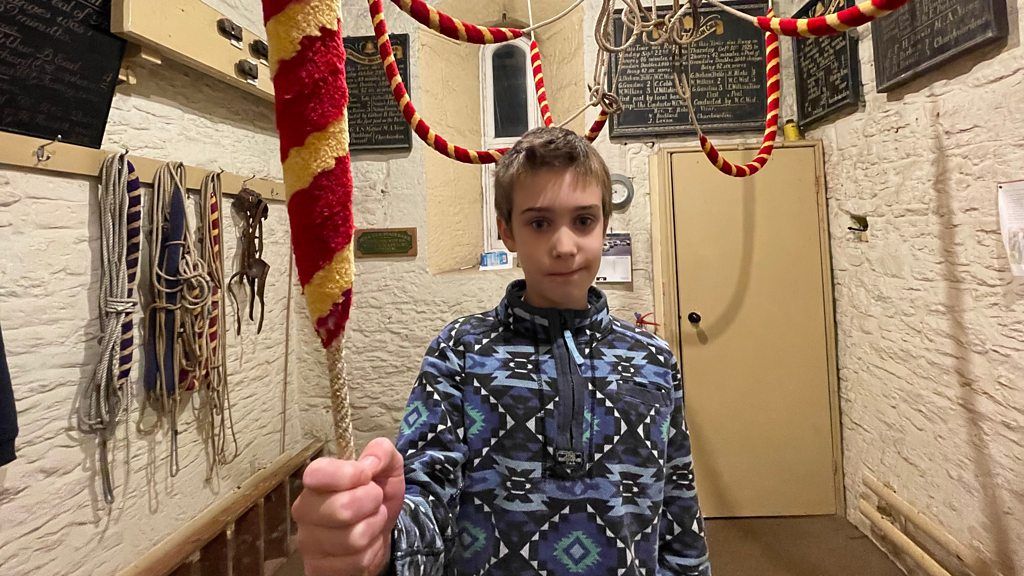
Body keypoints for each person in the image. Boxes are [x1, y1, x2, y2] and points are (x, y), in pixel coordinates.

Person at [292, 127, 711, 575]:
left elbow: (679, 510)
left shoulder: (653, 360)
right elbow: (428, 494)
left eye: (583, 221)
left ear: (605, 224)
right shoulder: (460, 351)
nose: (565, 246)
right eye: (539, 223)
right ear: (507, 231)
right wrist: (385, 538)